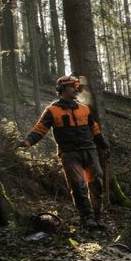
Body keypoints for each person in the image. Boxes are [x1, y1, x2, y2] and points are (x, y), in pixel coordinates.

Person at [18, 75, 110, 230]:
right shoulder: (52, 110)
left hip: (89, 150)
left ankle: (97, 216)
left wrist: (103, 145)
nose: (75, 89)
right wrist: (28, 141)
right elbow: (40, 129)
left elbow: (94, 129)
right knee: (78, 185)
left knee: (97, 183)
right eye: (71, 86)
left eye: (75, 86)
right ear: (61, 89)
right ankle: (87, 218)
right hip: (69, 153)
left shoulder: (84, 109)